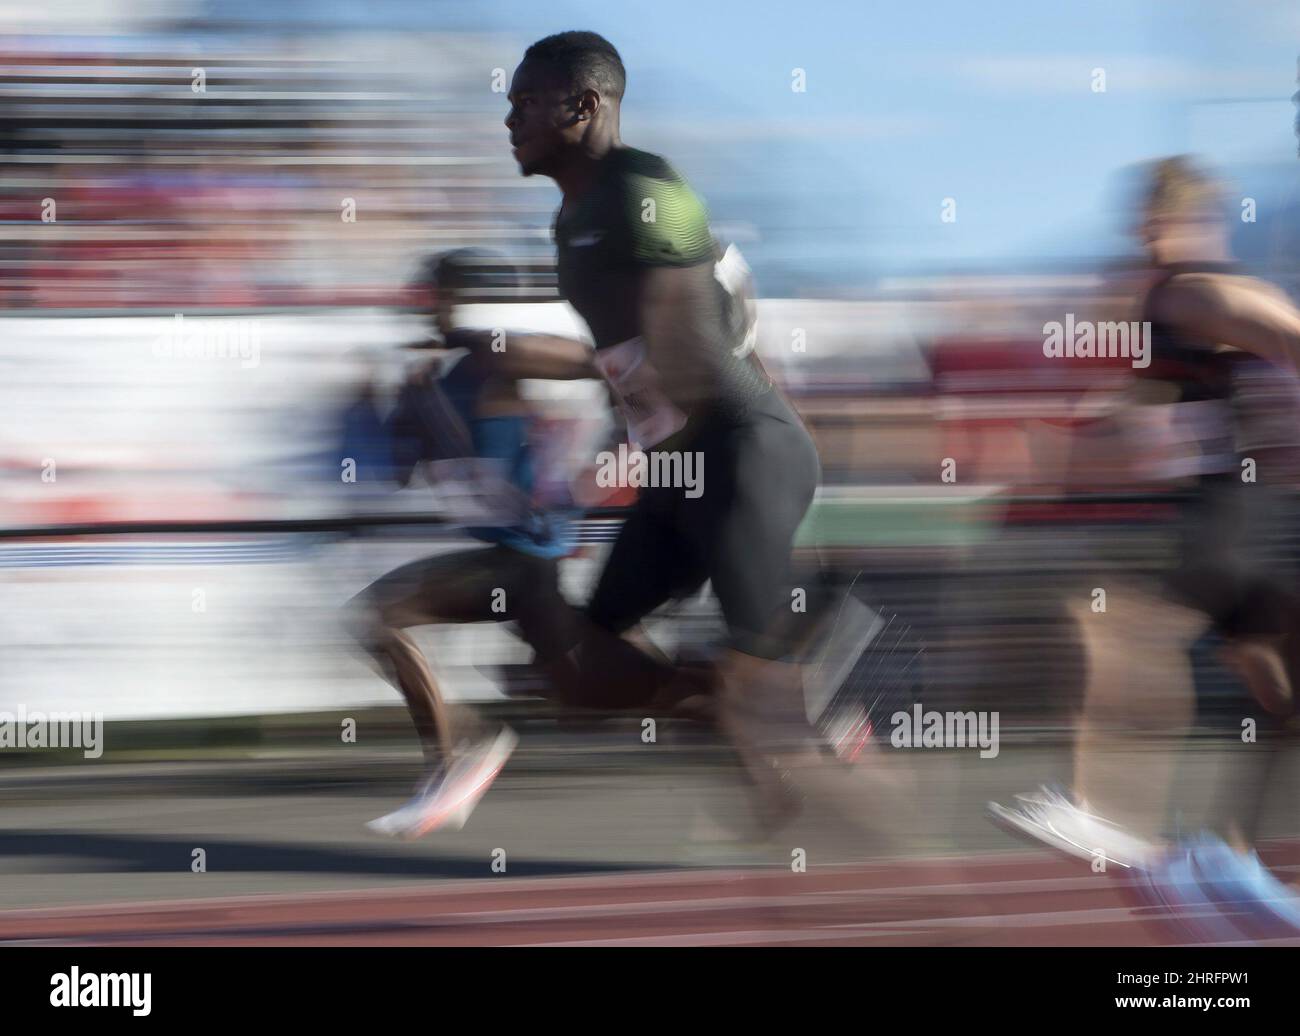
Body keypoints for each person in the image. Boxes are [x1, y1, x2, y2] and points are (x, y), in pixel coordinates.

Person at [505, 31, 841, 828]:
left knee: (762, 697)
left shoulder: (645, 189)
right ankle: (728, 704)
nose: (508, 119)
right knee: (576, 670)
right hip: (676, 476)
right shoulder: (573, 219)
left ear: (582, 106)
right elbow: (630, 358)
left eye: (523, 102)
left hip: (737, 454)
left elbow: (700, 336)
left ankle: (797, 683)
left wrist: (637, 435)